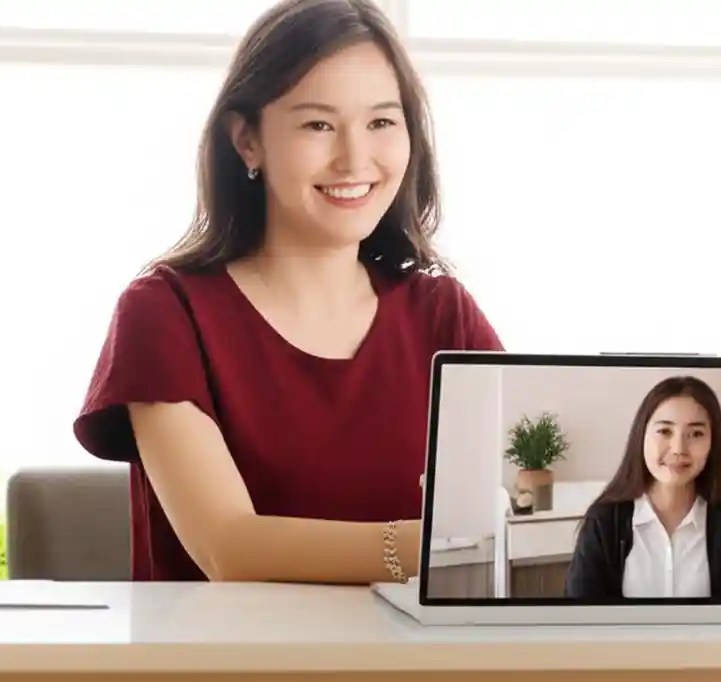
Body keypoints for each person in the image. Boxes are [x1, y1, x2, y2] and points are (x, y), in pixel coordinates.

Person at [71, 0, 502, 584]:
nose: (355, 159)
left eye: (381, 122)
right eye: (318, 124)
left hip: (420, 670)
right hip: (235, 671)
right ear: (247, 141)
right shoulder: (165, 312)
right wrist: (424, 547)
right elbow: (230, 548)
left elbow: (531, 498)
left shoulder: (443, 314)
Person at [564, 376, 721, 601]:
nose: (679, 449)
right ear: (642, 436)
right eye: (665, 432)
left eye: (696, 434)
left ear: (712, 444)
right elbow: (580, 621)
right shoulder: (604, 521)